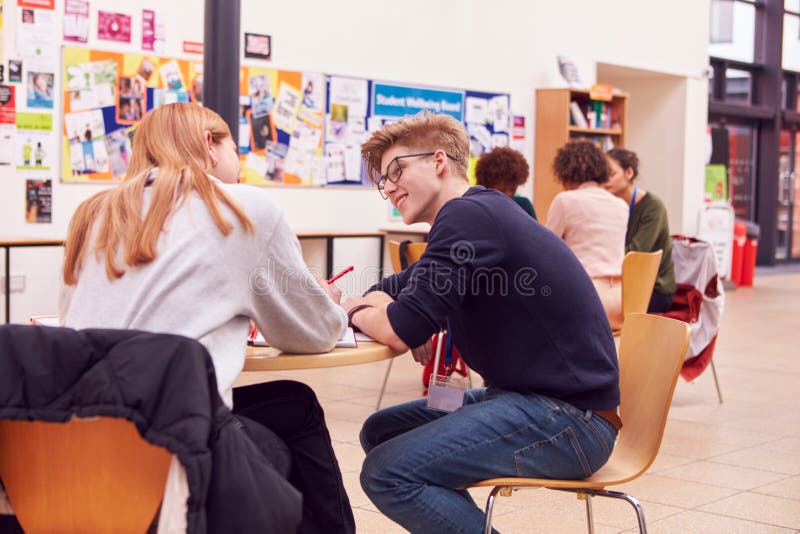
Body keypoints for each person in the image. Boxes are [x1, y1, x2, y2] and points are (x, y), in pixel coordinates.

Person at [60, 103, 355, 533]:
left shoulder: (91, 216)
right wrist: (324, 301)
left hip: (70, 445)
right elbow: (316, 332)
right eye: (236, 149)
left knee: (290, 403)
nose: (241, 164)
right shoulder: (241, 208)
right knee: (297, 415)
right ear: (208, 146)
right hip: (177, 453)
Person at [345, 112, 620, 532]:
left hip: (567, 418)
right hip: (518, 399)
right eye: (384, 180)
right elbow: (394, 290)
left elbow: (402, 330)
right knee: (382, 430)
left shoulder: (467, 217)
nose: (390, 187)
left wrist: (351, 307)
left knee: (387, 472)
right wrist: (382, 306)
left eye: (396, 170)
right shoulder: (470, 218)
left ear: (438, 161)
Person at [546, 139, 628, 330]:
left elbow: (545, 253)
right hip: (623, 302)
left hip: (585, 302)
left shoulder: (564, 201)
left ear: (565, 172)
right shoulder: (621, 206)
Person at [605, 148, 676, 312]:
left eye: (611, 174)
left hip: (655, 288)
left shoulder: (653, 207)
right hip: (623, 280)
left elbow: (636, 253)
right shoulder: (611, 205)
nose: (605, 180)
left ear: (629, 173)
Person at [474, 146, 537, 219]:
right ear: (486, 185)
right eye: (502, 189)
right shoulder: (476, 208)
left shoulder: (523, 206)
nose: (509, 193)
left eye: (513, 189)